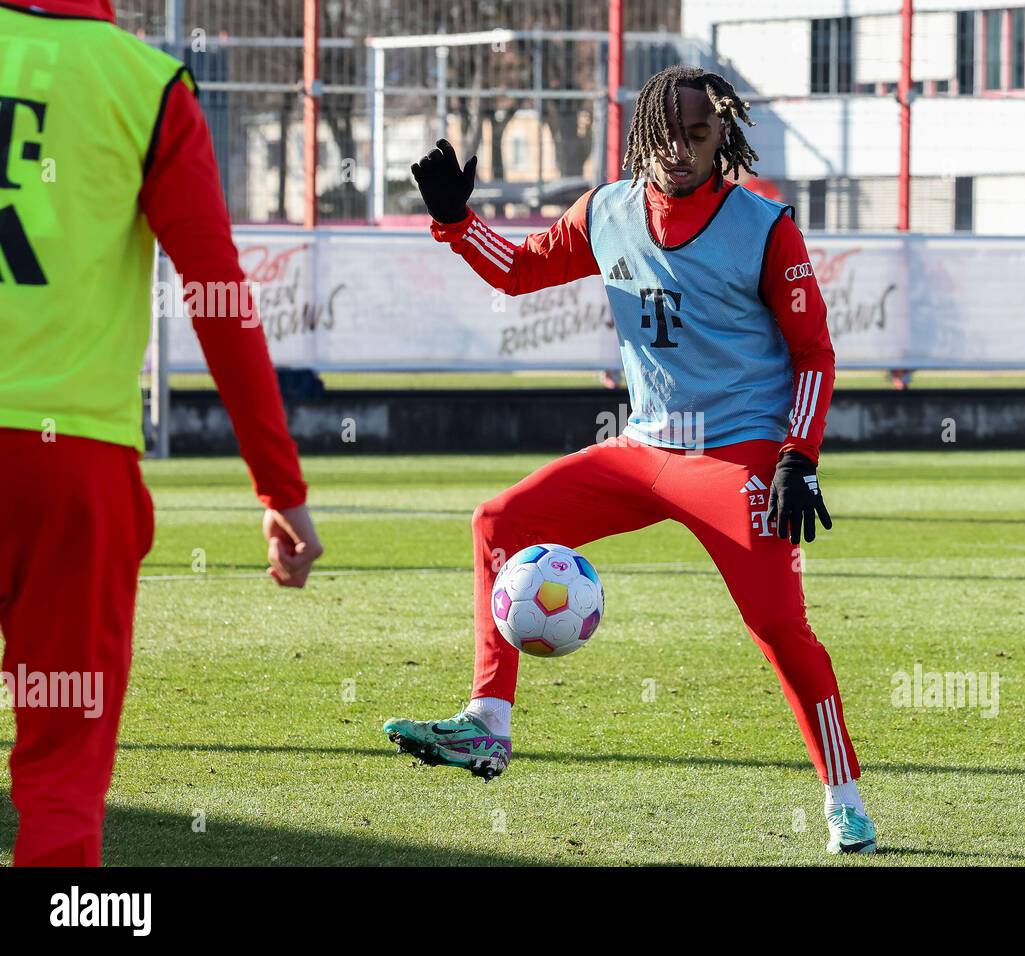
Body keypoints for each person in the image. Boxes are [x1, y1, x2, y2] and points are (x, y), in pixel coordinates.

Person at [385, 65, 874, 854]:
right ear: (641, 134)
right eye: (666, 135)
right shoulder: (606, 210)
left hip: (737, 459)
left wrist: (798, 457)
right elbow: (520, 270)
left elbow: (814, 351)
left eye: (699, 135)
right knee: (500, 522)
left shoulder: (765, 227)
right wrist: (455, 220)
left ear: (722, 137)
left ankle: (844, 797)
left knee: (779, 627)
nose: (680, 150)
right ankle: (487, 723)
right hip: (642, 446)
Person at [0, 0, 323, 866]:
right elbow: (217, 295)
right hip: (71, 472)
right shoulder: (144, 82)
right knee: (61, 783)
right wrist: (280, 487)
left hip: (70, 469)